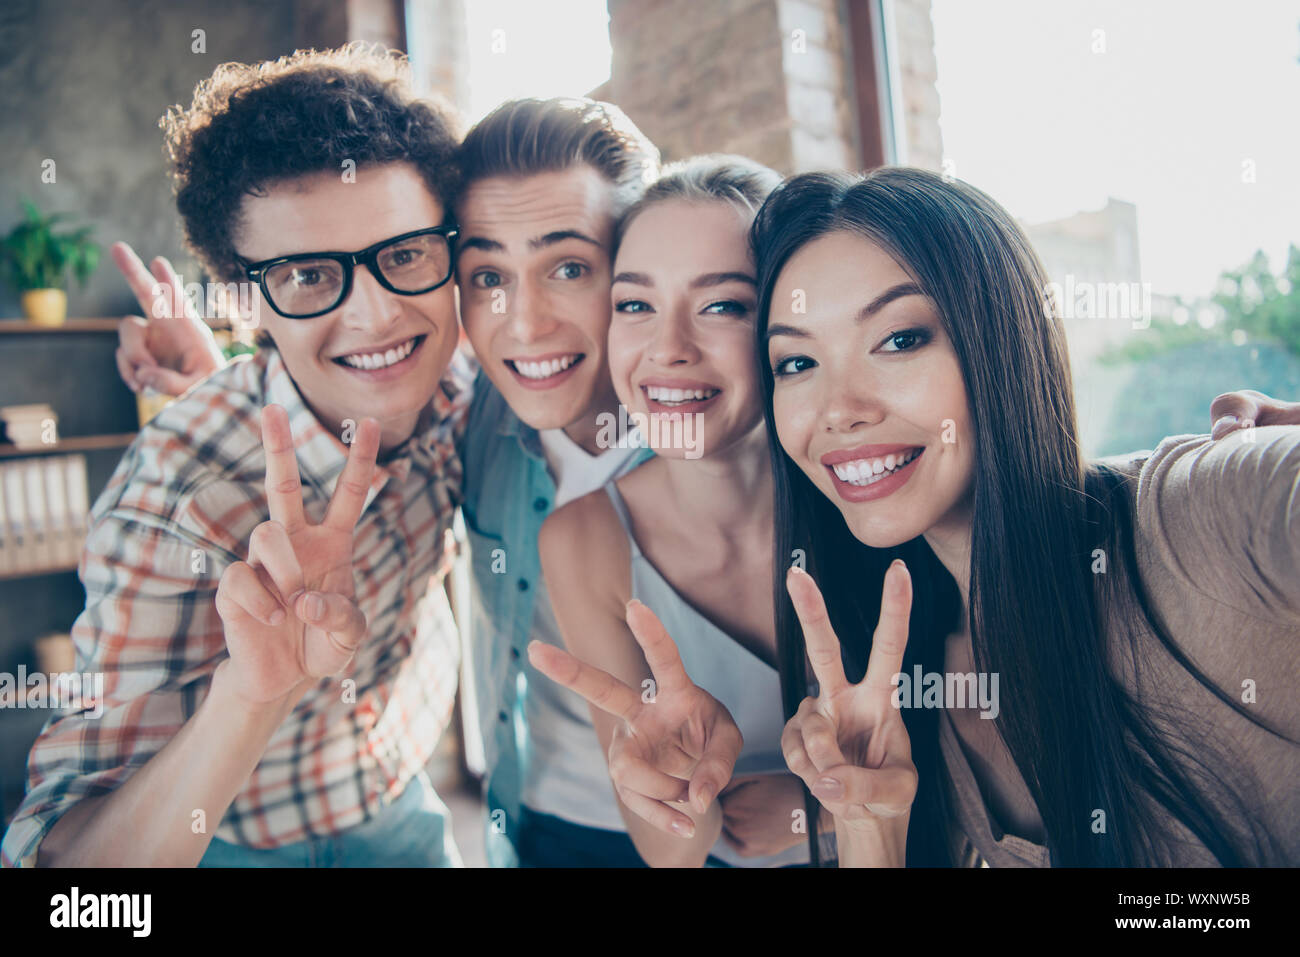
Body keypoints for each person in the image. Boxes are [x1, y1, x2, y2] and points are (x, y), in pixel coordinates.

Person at [0, 45, 473, 868]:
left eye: (403, 254)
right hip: (224, 838)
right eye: (307, 275)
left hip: (398, 792)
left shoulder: (467, 381)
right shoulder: (172, 498)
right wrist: (249, 697)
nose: (376, 316)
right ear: (251, 303)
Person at [752, 168, 1300, 865]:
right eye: (796, 360)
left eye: (898, 340)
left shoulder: (1198, 521)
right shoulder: (887, 688)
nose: (839, 408)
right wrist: (870, 827)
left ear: (1001, 339)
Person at [529, 156, 828, 866]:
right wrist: (669, 780)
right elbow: (671, 851)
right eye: (636, 305)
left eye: (722, 304)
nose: (668, 348)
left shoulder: (867, 498)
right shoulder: (584, 540)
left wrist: (815, 806)